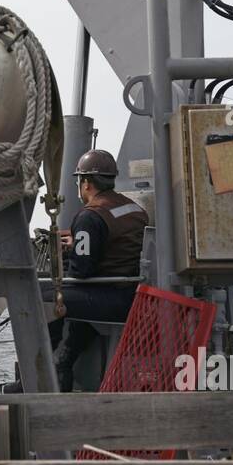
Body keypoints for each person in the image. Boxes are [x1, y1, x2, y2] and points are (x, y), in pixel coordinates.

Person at [49, 149, 149, 391]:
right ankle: (64, 360)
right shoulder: (134, 209)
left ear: (86, 183)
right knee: (76, 304)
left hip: (110, 298)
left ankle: (46, 372)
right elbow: (116, 244)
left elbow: (81, 271)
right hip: (133, 294)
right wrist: (80, 243)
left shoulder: (89, 217)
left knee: (40, 295)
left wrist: (69, 251)